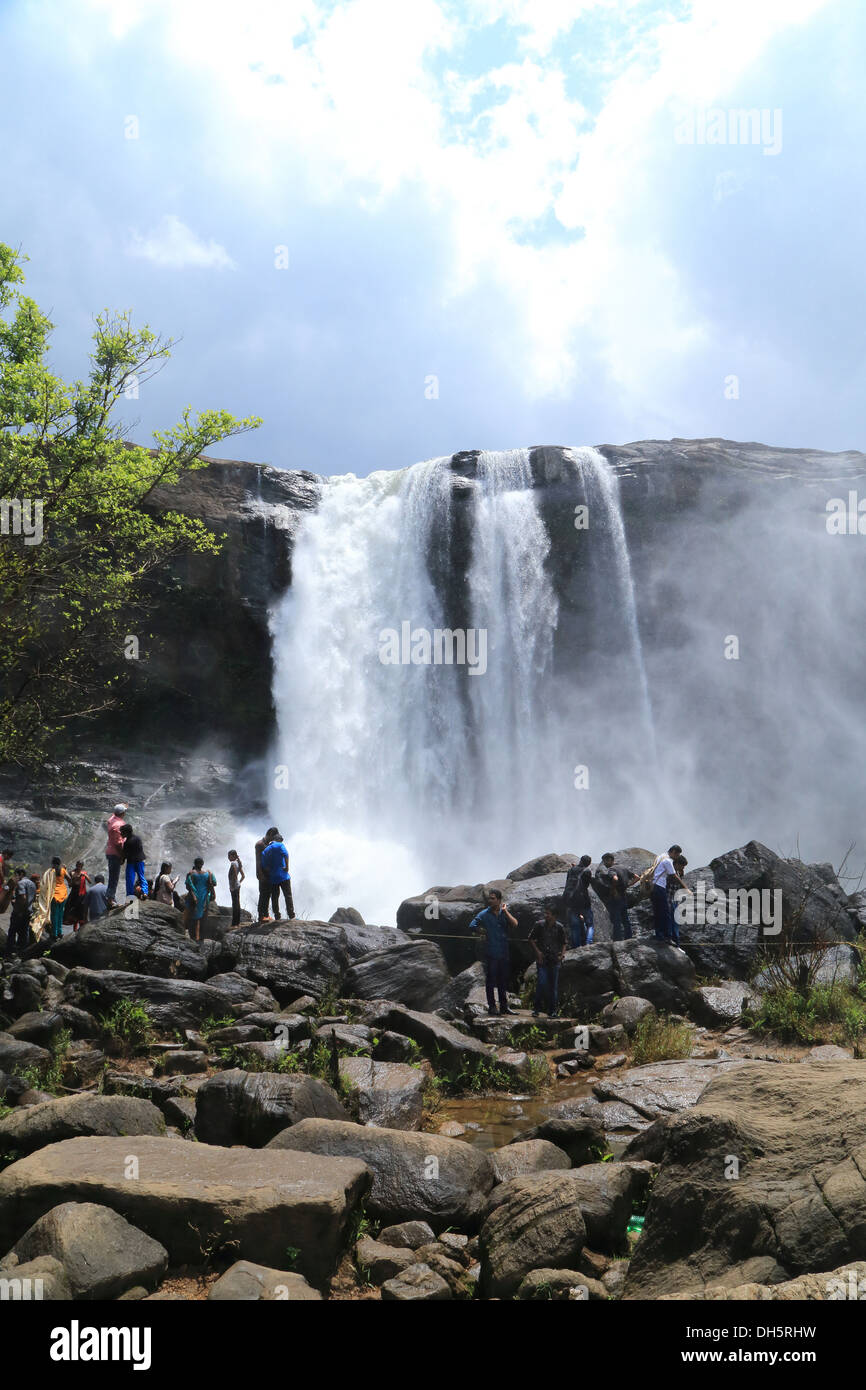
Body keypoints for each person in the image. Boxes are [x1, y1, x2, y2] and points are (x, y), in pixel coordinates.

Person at [469, 888, 517, 1016]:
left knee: (503, 980)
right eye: (489, 898)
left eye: (493, 898)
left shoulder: (503, 913)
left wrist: (506, 911)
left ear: (499, 900)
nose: (490, 900)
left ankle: (504, 1006)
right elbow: (472, 925)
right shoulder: (484, 914)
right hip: (491, 952)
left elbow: (515, 924)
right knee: (491, 981)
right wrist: (482, 931)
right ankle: (492, 1006)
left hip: (503, 951)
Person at [528, 905, 568, 1016]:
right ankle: (536, 1010)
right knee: (541, 983)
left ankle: (553, 1011)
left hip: (554, 960)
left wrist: (562, 956)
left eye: (548, 914)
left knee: (553, 987)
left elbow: (564, 942)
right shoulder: (539, 925)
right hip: (542, 960)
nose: (546, 916)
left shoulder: (559, 927)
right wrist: (538, 952)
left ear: (554, 916)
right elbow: (530, 938)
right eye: (545, 913)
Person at [650, 844, 689, 944]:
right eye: (677, 855)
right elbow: (674, 875)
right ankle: (667, 937)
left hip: (654, 886)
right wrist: (686, 888)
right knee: (665, 913)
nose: (677, 857)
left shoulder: (660, 856)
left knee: (658, 912)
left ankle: (659, 935)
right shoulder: (668, 860)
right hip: (660, 887)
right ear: (673, 852)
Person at [594, 853, 636, 941]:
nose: (604, 863)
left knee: (616, 919)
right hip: (624, 896)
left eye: (605, 861)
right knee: (625, 919)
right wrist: (628, 885)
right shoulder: (623, 868)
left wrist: (614, 890)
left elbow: (615, 879)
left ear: (610, 860)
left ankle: (618, 940)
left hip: (616, 897)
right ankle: (629, 937)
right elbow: (637, 877)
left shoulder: (612, 869)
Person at [261, 831, 295, 921]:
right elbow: (286, 854)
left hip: (273, 878)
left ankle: (277, 916)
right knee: (288, 895)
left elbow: (265, 866)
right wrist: (287, 867)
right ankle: (291, 915)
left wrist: (271, 872)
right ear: (278, 839)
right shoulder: (280, 845)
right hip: (284, 876)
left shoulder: (265, 850)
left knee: (275, 897)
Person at [563, 855, 594, 947]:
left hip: (571, 901)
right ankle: (588, 943)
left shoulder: (571, 870)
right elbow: (586, 885)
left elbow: (568, 881)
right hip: (583, 901)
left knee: (575, 926)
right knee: (590, 924)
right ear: (589, 864)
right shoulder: (587, 871)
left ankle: (576, 946)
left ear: (580, 860)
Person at [184, 857, 216, 943]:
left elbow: (188, 887)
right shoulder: (208, 873)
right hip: (205, 898)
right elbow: (214, 883)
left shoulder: (190, 873)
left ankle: (193, 937)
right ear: (202, 864)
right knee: (203, 918)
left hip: (194, 898)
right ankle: (201, 938)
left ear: (194, 864)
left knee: (193, 918)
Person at [6, 867, 36, 956]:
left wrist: (19, 910)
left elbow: (23, 898)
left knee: (12, 931)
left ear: (21, 874)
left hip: (20, 912)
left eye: (16, 875)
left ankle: (10, 950)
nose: (16, 877)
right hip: (28, 912)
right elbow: (33, 898)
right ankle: (22, 951)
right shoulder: (32, 884)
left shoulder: (21, 883)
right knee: (24, 931)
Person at [104, 803, 128, 907]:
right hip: (115, 853)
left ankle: (111, 898)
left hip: (110, 851)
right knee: (114, 877)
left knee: (113, 876)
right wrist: (122, 855)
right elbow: (118, 843)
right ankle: (110, 900)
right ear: (122, 813)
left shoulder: (112, 819)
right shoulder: (118, 825)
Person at [255, 827, 279, 922]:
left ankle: (266, 914)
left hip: (269, 873)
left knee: (268, 893)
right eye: (273, 837)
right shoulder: (260, 844)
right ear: (269, 834)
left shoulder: (268, 844)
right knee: (263, 894)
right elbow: (258, 860)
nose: (273, 839)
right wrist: (260, 874)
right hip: (262, 873)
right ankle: (261, 916)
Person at [119, 824, 148, 899]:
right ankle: (145, 892)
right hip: (140, 860)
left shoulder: (127, 842)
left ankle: (130, 896)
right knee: (141, 877)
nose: (121, 834)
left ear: (126, 832)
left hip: (131, 862)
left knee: (130, 880)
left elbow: (124, 855)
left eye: (122, 832)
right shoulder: (138, 838)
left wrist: (121, 861)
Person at [67, 860, 91, 932]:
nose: (79, 867)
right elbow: (70, 885)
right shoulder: (72, 873)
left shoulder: (84, 873)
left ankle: (82, 928)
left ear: (82, 866)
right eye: (78, 865)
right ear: (76, 865)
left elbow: (90, 881)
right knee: (74, 911)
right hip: (74, 894)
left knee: (82, 911)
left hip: (83, 895)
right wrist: (75, 879)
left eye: (80, 866)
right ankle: (74, 929)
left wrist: (85, 876)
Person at [227, 850, 245, 927]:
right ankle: (237, 922)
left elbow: (234, 875)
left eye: (229, 856)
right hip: (237, 886)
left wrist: (233, 886)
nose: (228, 857)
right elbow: (243, 876)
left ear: (234, 856)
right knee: (237, 903)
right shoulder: (238, 863)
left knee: (235, 904)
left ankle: (235, 923)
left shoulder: (233, 863)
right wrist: (238, 883)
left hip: (234, 887)